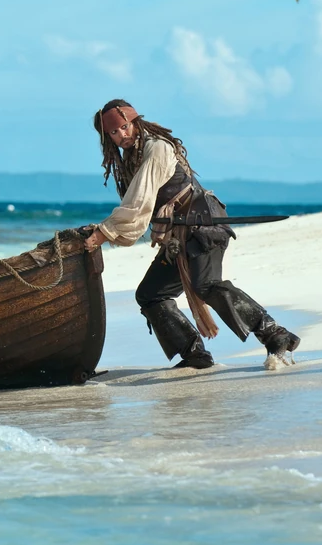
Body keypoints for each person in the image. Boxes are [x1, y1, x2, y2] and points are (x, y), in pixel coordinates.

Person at [82, 99, 300, 370]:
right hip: (178, 237)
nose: (121, 135)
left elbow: (138, 202)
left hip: (203, 226)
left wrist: (104, 233)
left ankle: (276, 335)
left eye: (124, 127)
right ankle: (195, 355)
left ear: (135, 122)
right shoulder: (130, 159)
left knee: (206, 285)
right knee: (150, 294)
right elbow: (140, 204)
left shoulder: (156, 148)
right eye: (114, 132)